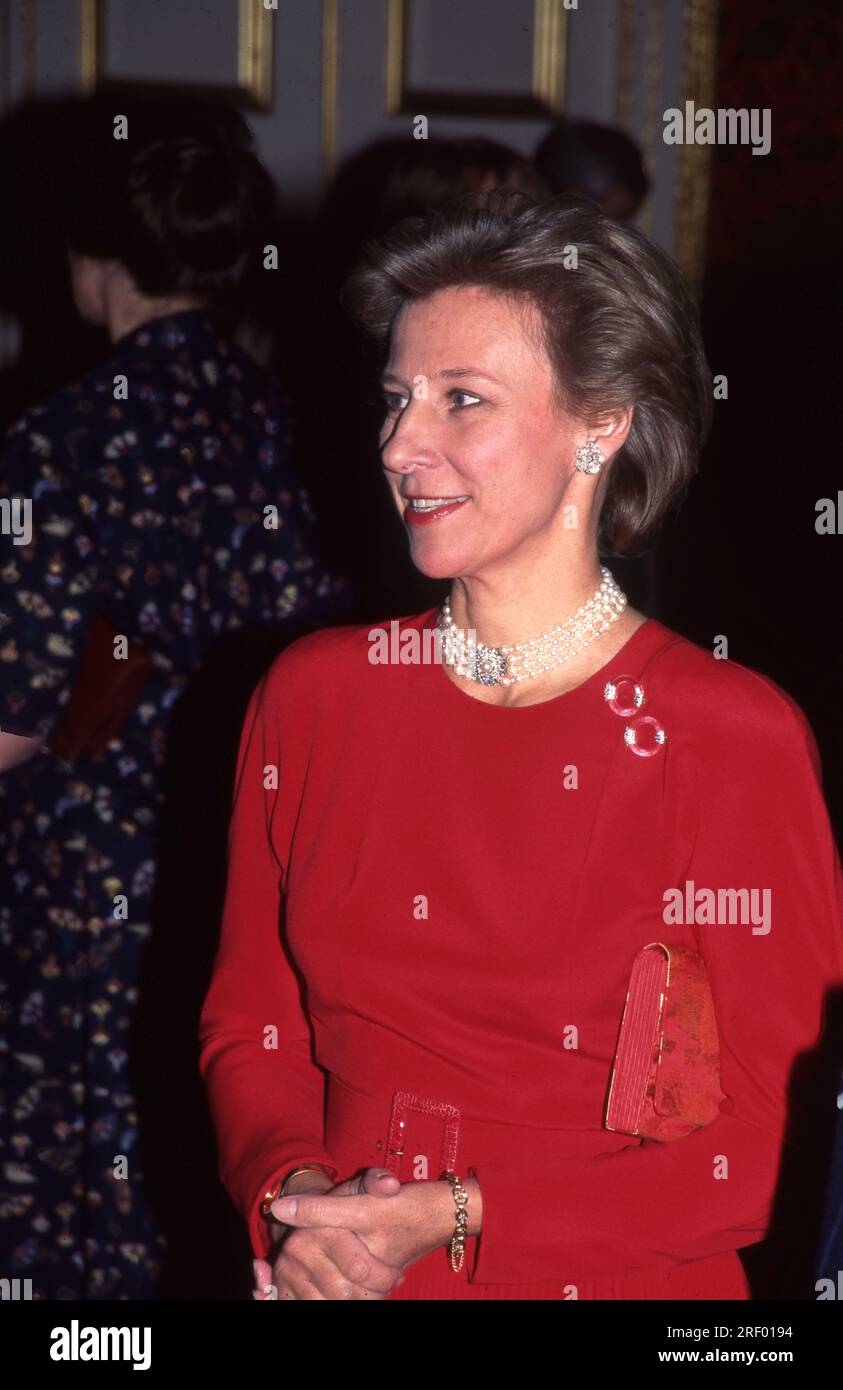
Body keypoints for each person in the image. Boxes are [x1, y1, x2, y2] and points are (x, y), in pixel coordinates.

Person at [198, 191, 843, 1300]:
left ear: (603, 426)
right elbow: (250, 1023)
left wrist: (456, 1219)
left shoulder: (729, 736)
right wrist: (296, 1199)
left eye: (463, 400)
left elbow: (758, 1148)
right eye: (396, 398)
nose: (403, 444)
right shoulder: (311, 697)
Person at [0, 99, 346, 1299]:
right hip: (265, 849)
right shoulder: (303, 426)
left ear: (92, 263)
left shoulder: (58, 443)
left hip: (85, 871)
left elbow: (14, 711)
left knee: (88, 1161)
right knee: (227, 1134)